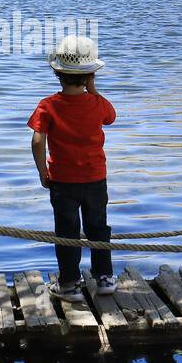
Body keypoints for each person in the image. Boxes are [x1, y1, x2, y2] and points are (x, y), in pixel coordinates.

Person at [28, 35, 117, 303]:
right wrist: (94, 90)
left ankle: (69, 284)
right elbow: (111, 117)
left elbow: (36, 141)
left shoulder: (48, 105)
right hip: (95, 178)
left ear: (57, 72)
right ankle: (104, 278)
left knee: (66, 231)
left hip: (63, 181)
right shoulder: (97, 103)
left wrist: (43, 171)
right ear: (90, 74)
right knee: (98, 227)